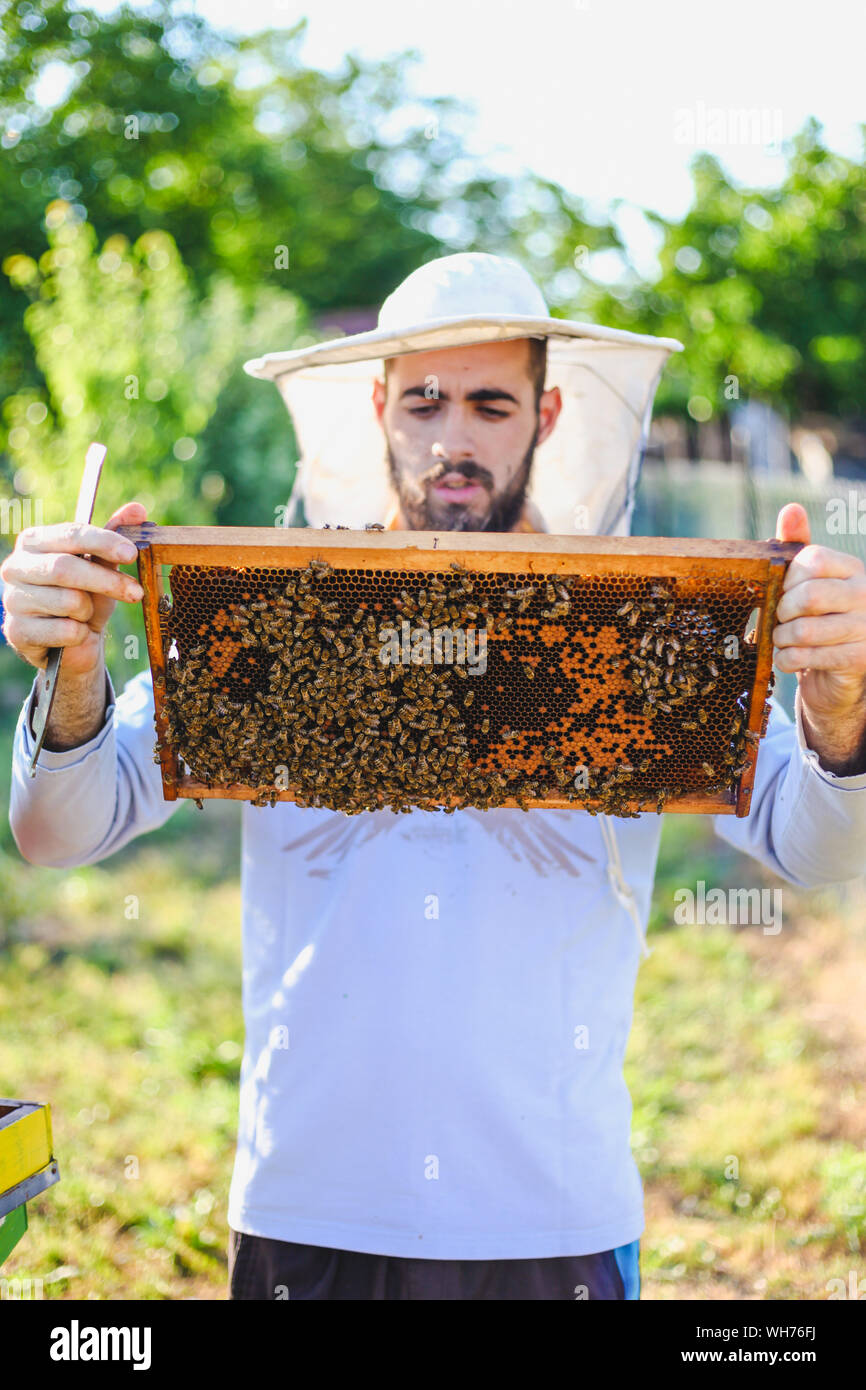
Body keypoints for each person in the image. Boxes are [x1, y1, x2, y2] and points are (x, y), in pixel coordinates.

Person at [4, 255, 866, 1302]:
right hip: (302, 1209)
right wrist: (78, 673)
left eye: (489, 403)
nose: (453, 436)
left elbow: (822, 846)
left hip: (551, 1218)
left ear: (544, 414)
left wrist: (838, 708)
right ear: (380, 408)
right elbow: (58, 830)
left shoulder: (648, 632)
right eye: (425, 399)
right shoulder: (274, 620)